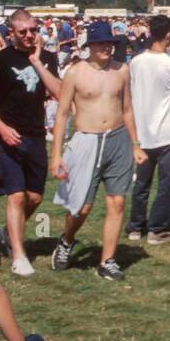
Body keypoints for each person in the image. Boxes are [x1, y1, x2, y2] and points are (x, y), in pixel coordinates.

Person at [50, 21, 143, 281]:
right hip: (87, 140)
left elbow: (127, 109)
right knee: (82, 207)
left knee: (117, 200)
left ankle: (107, 261)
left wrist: (136, 144)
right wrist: (56, 154)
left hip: (118, 139)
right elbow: (62, 115)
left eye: (110, 43)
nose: (106, 48)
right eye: (101, 43)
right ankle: (66, 241)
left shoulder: (122, 70)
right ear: (89, 45)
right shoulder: (75, 73)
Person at [0, 10, 61, 276]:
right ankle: (19, 254)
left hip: (36, 134)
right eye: (23, 31)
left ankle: (9, 232)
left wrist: (38, 63)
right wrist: (1, 128)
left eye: (33, 30)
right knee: (16, 195)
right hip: (9, 135)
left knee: (34, 197)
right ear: (11, 33)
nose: (29, 35)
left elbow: (59, 93)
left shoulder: (48, 58)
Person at [127, 15, 170, 246]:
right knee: (166, 183)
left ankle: (135, 226)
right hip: (167, 131)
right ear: (168, 35)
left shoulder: (136, 62)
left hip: (143, 131)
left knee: (142, 183)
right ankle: (157, 228)